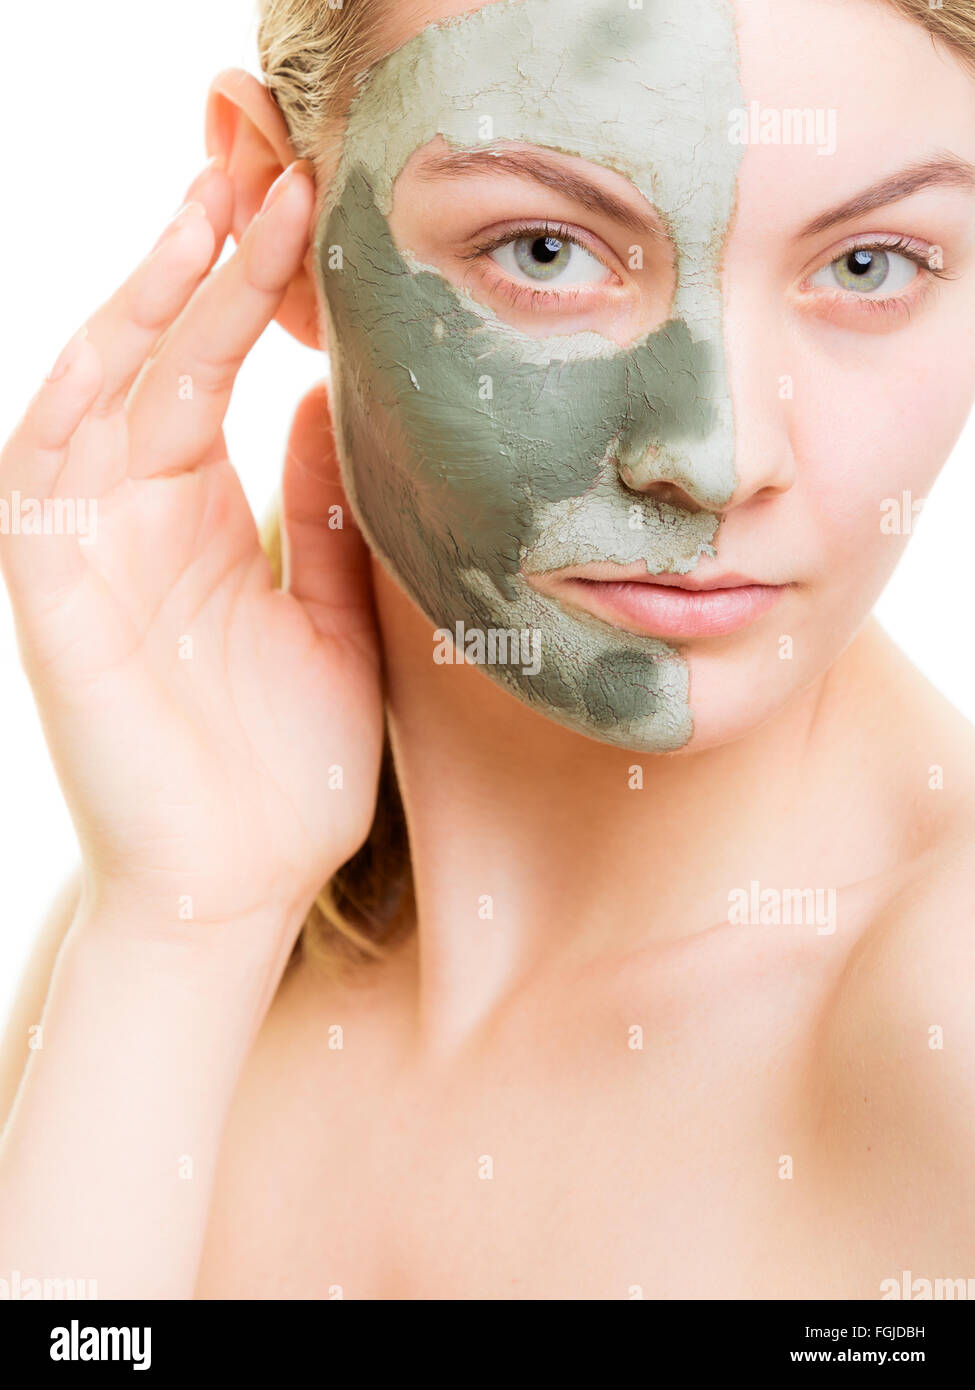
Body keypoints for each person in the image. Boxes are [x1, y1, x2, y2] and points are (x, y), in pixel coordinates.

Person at [2, 0, 975, 1300]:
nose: (722, 453)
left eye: (872, 263)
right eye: (547, 248)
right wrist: (180, 931)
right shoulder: (184, 925)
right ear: (277, 215)